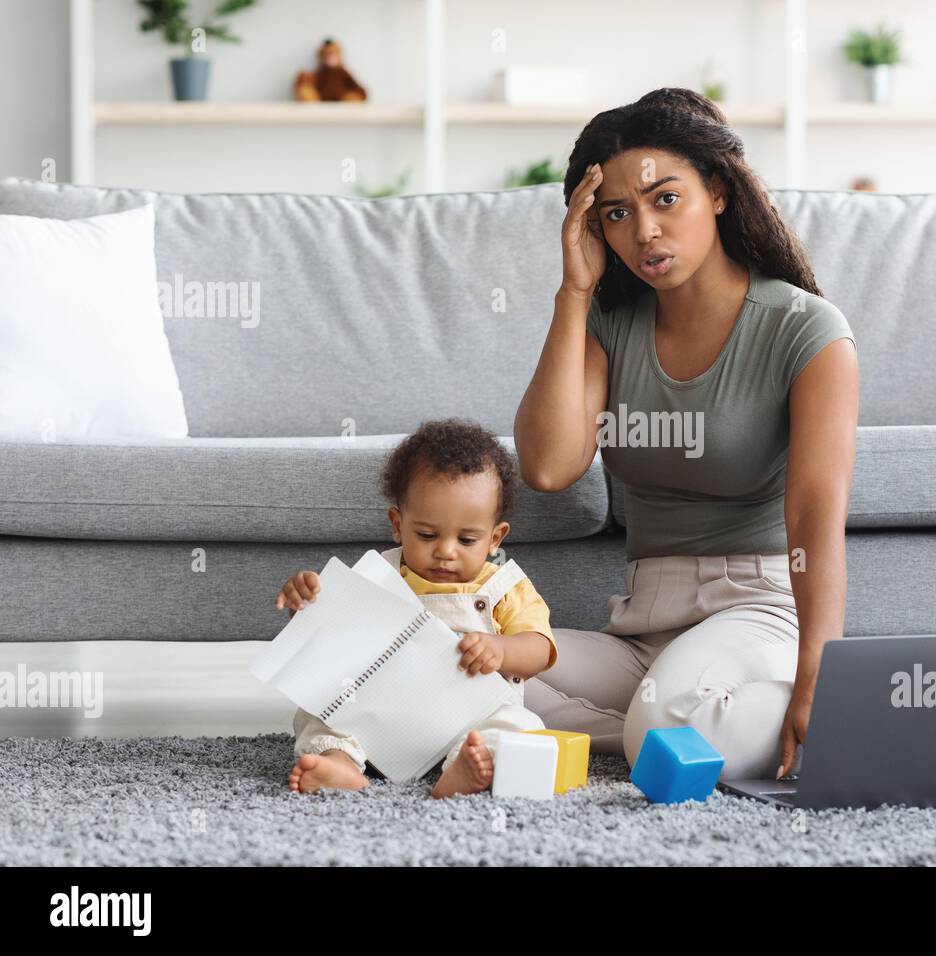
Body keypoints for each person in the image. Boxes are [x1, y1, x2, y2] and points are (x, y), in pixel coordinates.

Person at [514, 88, 859, 783]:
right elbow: (549, 466)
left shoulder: (806, 329)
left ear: (719, 192)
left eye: (665, 199)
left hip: (758, 609)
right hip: (643, 626)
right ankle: (669, 720)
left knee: (663, 727)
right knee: (465, 660)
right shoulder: (610, 324)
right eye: (617, 213)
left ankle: (693, 717)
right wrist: (574, 293)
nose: (644, 231)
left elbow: (815, 515)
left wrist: (819, 668)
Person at [283, 418, 557, 796]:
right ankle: (339, 761)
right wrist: (306, 600)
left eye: (467, 539)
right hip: (382, 720)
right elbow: (329, 631)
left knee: (522, 726)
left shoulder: (505, 589)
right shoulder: (379, 575)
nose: (445, 551)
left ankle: (466, 766)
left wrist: (502, 649)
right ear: (398, 524)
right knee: (318, 710)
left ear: (495, 538)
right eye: (427, 535)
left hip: (470, 719)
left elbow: (540, 649)